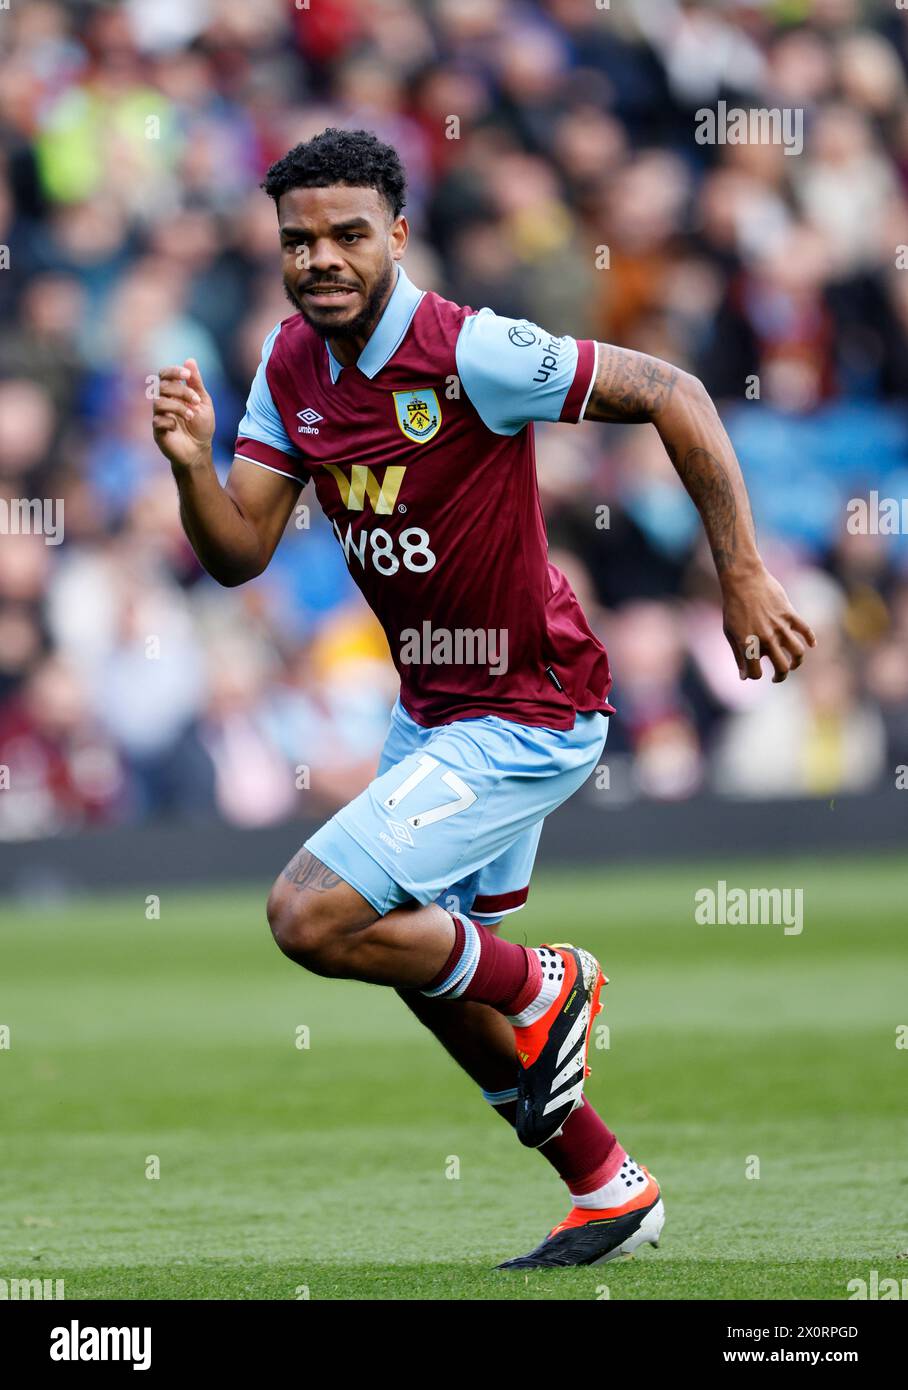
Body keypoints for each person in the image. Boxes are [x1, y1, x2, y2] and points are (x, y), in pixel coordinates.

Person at [152, 128, 815, 1268]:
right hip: (434, 713)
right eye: (297, 241)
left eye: (347, 235)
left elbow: (672, 390)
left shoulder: (475, 351)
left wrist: (741, 574)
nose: (320, 259)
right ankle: (608, 1185)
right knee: (434, 975)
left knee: (311, 916)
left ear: (397, 237)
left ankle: (552, 978)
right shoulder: (287, 365)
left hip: (532, 707)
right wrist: (189, 466)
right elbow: (238, 555)